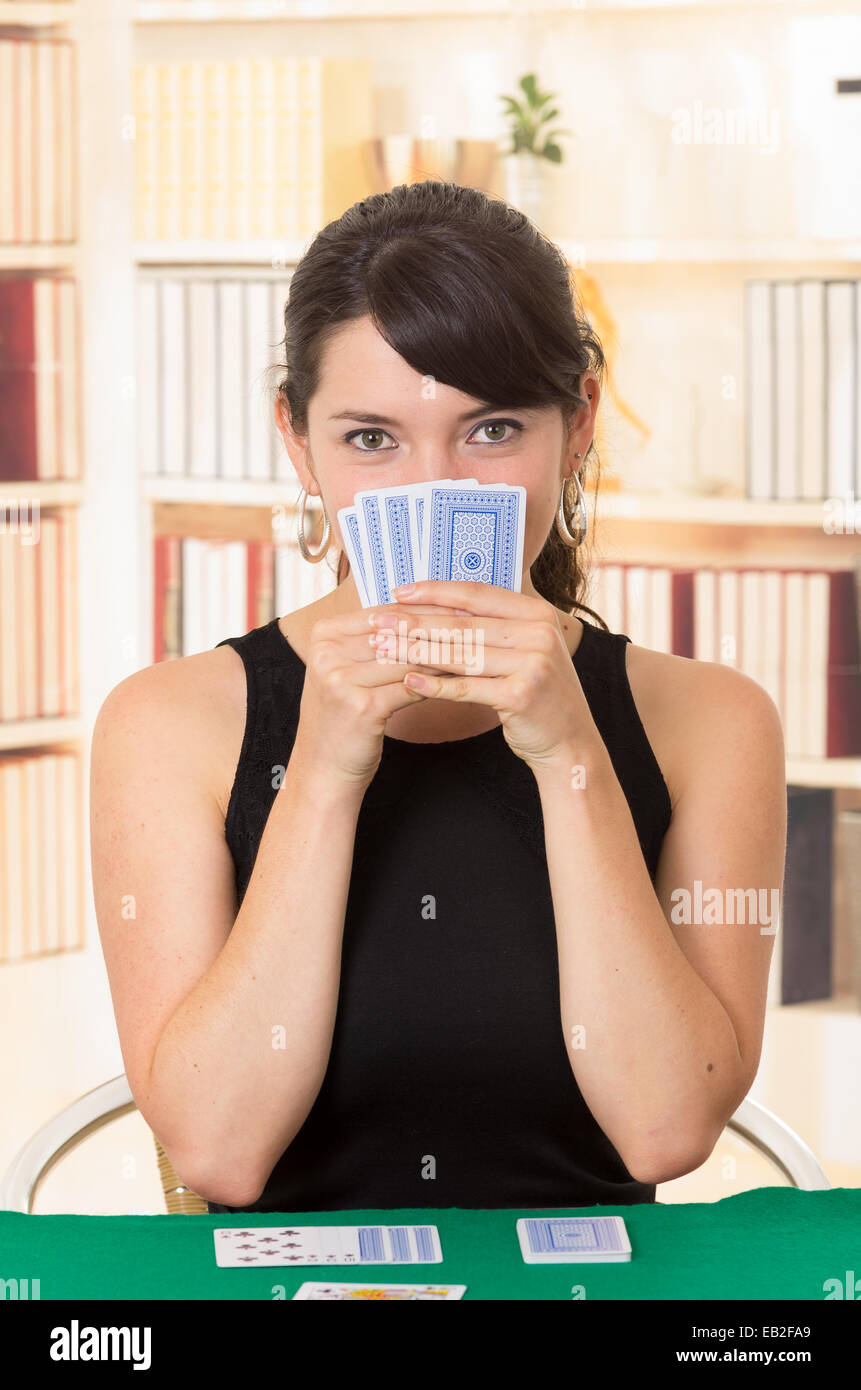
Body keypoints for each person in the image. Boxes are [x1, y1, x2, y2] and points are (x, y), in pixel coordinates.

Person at [90, 181, 786, 1215]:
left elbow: (664, 1128)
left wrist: (567, 757)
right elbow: (218, 1151)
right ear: (298, 441)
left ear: (578, 423)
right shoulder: (169, 724)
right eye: (371, 438)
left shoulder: (713, 722)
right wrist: (322, 773)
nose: (432, 487)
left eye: (492, 428)